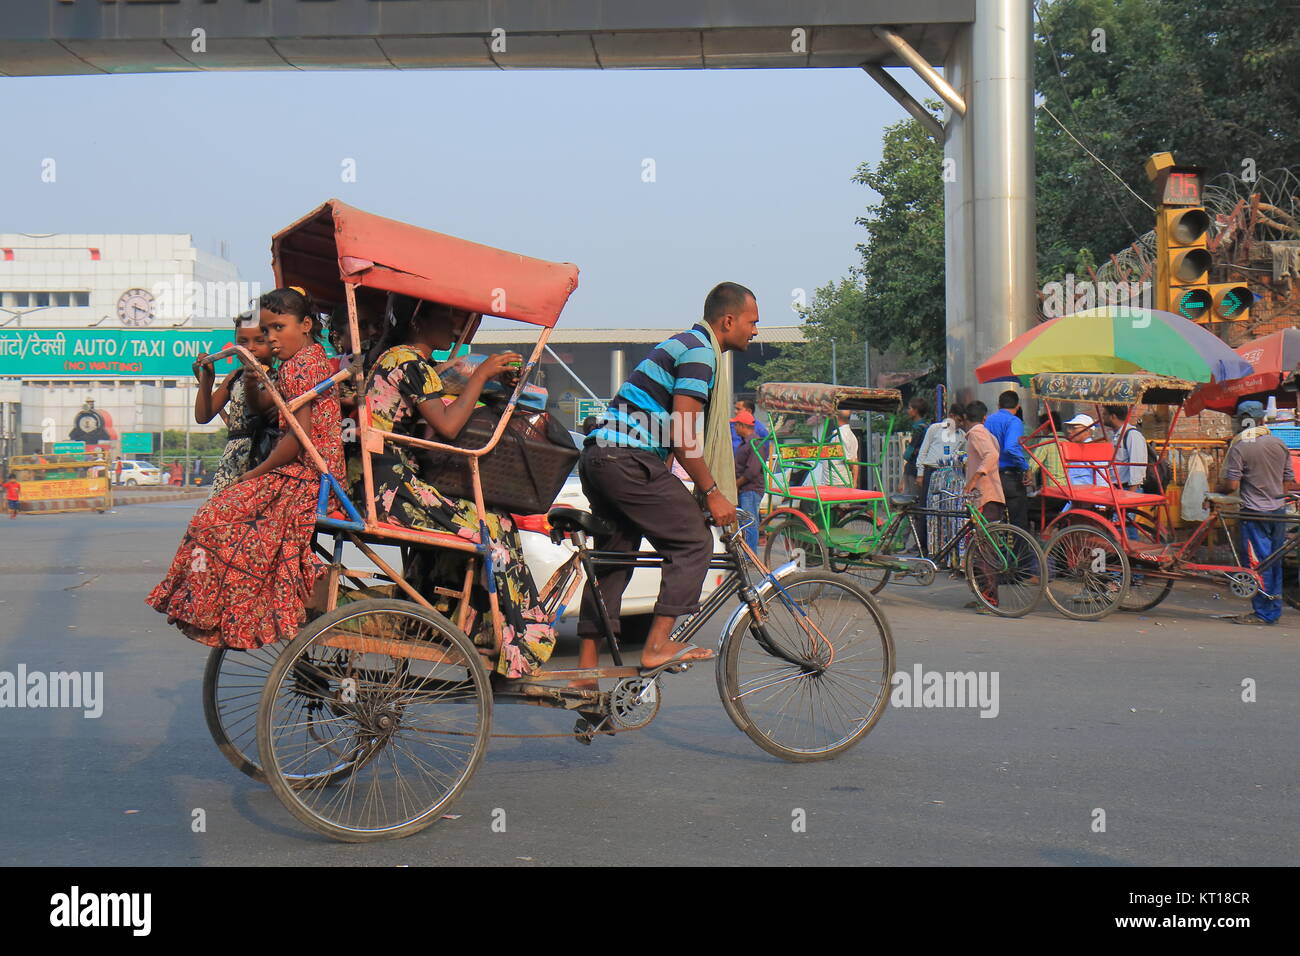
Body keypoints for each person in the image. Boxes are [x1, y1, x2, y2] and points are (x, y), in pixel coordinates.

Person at [362, 295, 554, 678]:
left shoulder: (411, 363)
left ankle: (462, 618)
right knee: (493, 525)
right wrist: (481, 375)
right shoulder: (406, 360)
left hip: (396, 479)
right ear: (418, 320)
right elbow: (448, 426)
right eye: (447, 318)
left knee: (486, 520)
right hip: (392, 485)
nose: (454, 327)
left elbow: (450, 391)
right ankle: (517, 639)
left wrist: (487, 379)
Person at [146, 287, 345, 649]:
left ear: (305, 325)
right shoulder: (294, 364)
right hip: (294, 467)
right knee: (213, 521)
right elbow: (209, 414)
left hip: (307, 474)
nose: (270, 338)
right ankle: (221, 611)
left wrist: (255, 473)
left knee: (213, 522)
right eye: (266, 331)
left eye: (277, 328)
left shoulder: (304, 365)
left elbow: (297, 438)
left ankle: (225, 614)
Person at [579, 281, 758, 675]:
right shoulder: (699, 353)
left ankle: (585, 674)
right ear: (728, 320)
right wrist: (711, 492)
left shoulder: (686, 344)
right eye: (752, 321)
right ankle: (657, 644)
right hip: (627, 459)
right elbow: (683, 433)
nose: (756, 330)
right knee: (693, 539)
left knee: (615, 559)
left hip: (601, 458)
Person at [1219, 400, 1298, 625]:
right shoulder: (1279, 443)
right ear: (1262, 420)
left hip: (1253, 513)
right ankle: (1273, 608)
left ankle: (1263, 613)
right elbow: (1287, 481)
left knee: (1257, 563)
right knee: (1274, 561)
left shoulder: (1242, 446)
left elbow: (1231, 485)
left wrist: (1217, 489)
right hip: (1278, 511)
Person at [193, 315, 276, 498]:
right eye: (242, 342)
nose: (250, 348)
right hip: (232, 462)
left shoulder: (278, 377)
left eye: (259, 341)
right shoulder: (234, 377)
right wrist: (207, 379)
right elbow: (203, 416)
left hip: (263, 457)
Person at [961, 400, 1006, 612]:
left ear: (964, 420)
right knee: (981, 548)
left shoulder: (976, 433)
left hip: (984, 497)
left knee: (984, 550)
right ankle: (982, 595)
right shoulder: (988, 434)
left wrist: (973, 479)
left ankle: (989, 599)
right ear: (985, 417)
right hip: (992, 496)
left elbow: (992, 456)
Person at [914, 402, 965, 554]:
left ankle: (943, 549)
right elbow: (923, 452)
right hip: (931, 472)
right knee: (926, 509)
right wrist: (920, 473)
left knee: (945, 511)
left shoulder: (962, 436)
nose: (961, 423)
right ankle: (923, 547)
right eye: (959, 420)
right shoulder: (934, 429)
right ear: (952, 416)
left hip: (950, 475)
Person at [984, 390, 1030, 529]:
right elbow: (1011, 447)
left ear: (998, 405)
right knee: (1018, 523)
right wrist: (1025, 467)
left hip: (990, 477)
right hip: (1010, 478)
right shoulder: (1014, 421)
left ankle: (993, 550)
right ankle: (1019, 551)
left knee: (993, 522)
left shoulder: (988, 421)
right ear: (1017, 407)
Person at [732, 410, 764, 552]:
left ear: (742, 426)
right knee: (745, 522)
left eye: (736, 425)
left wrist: (736, 484)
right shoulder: (745, 443)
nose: (735, 428)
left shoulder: (755, 443)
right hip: (745, 488)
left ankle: (750, 555)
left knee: (749, 523)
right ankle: (747, 553)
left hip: (751, 489)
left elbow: (752, 471)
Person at [901, 396, 930, 493]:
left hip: (914, 470)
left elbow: (907, 454)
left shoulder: (919, 428)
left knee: (911, 498)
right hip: (918, 469)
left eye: (909, 408)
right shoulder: (926, 427)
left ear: (916, 411)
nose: (908, 411)